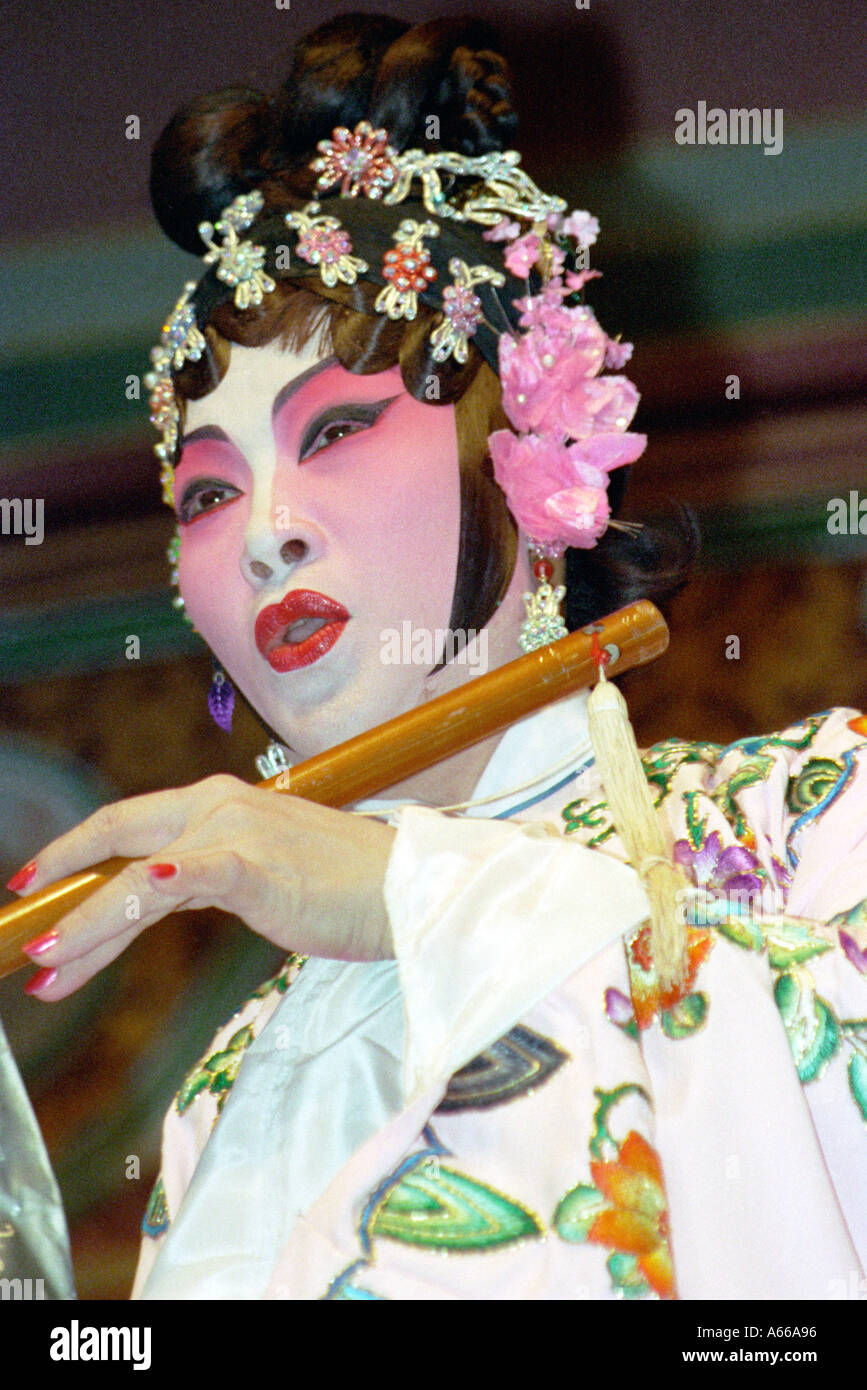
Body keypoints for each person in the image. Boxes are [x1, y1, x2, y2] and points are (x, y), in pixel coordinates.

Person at [7, 13, 866, 1301]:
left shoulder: (812, 818)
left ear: (532, 447)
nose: (266, 536)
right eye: (205, 496)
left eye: (337, 429)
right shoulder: (229, 1087)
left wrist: (424, 894)